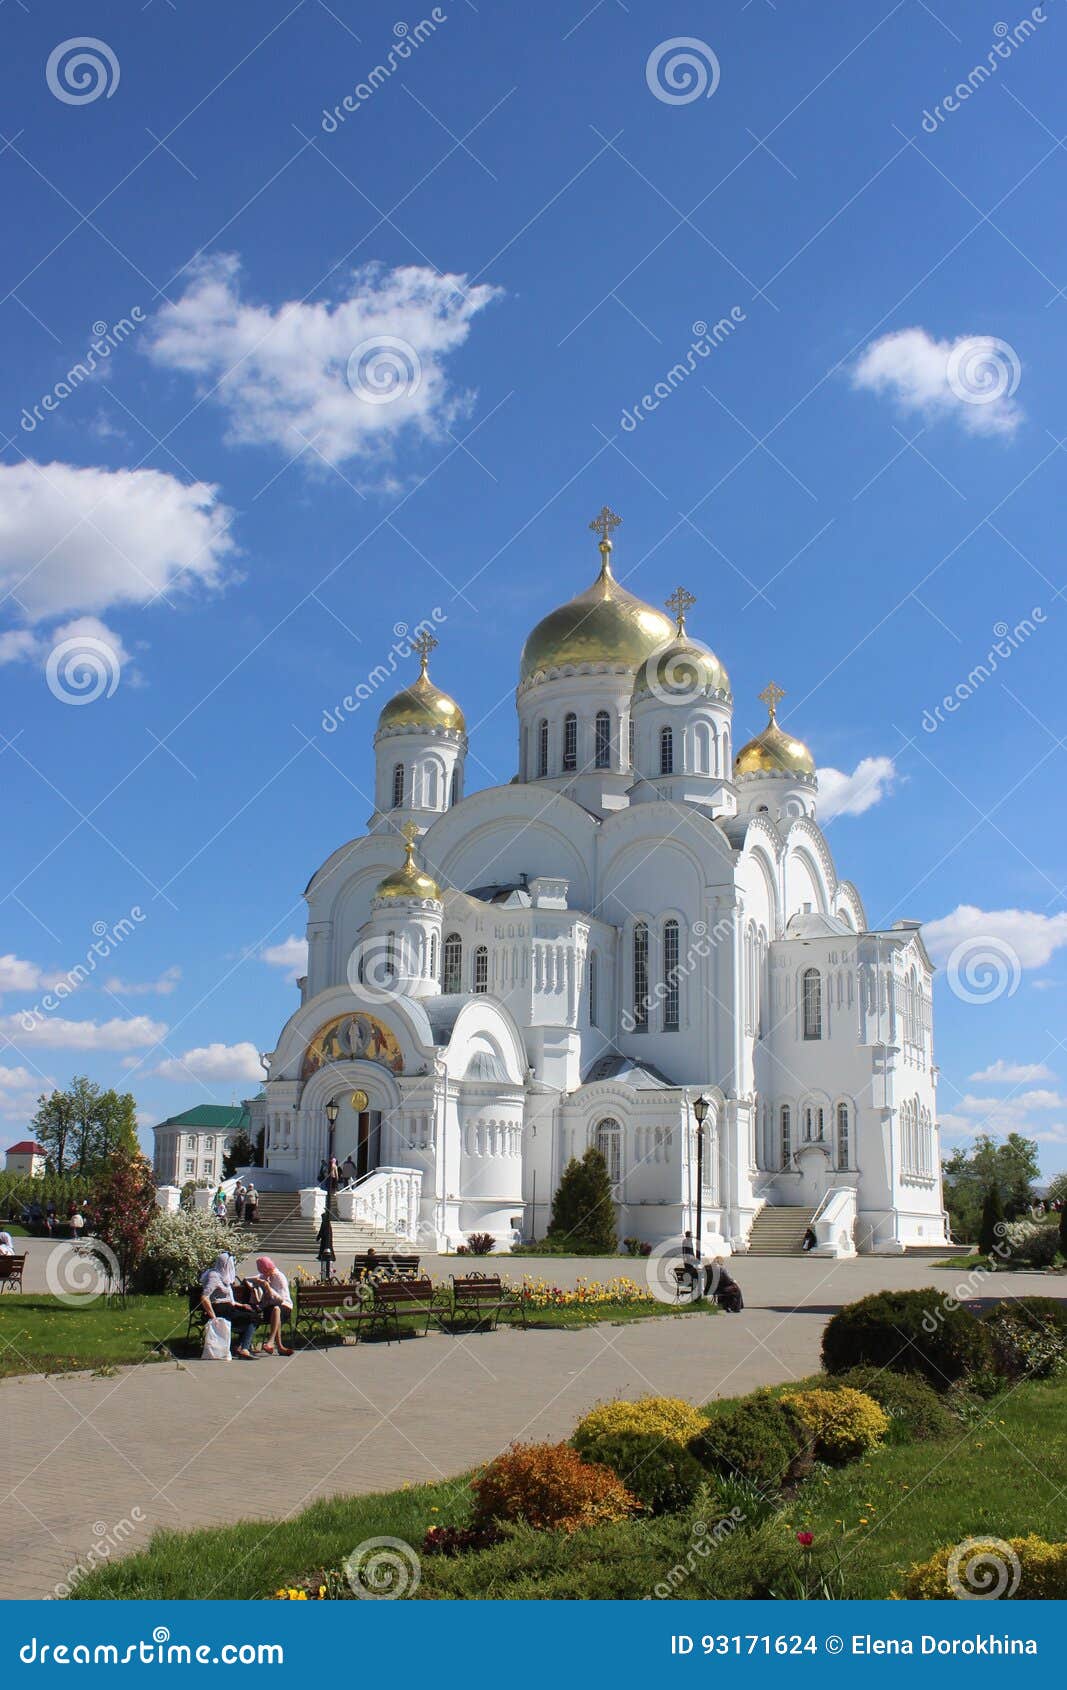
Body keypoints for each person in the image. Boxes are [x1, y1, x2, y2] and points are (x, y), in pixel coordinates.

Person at [199, 1252, 258, 1359]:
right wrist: (213, 1317)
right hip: (219, 1309)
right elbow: (204, 1297)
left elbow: (228, 1299)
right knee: (252, 1318)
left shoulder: (223, 1277)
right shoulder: (214, 1276)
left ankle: (240, 1346)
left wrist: (242, 1305)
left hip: (227, 1307)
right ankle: (243, 1348)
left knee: (253, 1315)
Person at [252, 1256, 293, 1355]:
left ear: (270, 1268)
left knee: (276, 1309)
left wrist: (268, 1288)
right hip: (270, 1307)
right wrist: (258, 1281)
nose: (264, 1274)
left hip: (285, 1306)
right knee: (275, 1311)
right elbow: (249, 1279)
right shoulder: (264, 1276)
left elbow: (279, 1300)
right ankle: (280, 1347)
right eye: (262, 1272)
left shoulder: (279, 1277)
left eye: (265, 1271)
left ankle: (271, 1342)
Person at [679, 1229, 700, 1295]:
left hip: (688, 1260)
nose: (692, 1237)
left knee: (693, 1272)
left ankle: (691, 1285)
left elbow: (689, 1251)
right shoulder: (687, 1241)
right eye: (691, 1236)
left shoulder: (687, 1241)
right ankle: (693, 1287)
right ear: (688, 1236)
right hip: (688, 1260)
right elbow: (687, 1251)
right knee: (694, 1273)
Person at [317, 1212, 336, 1282]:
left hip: (327, 1240)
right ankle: (320, 1256)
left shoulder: (327, 1224)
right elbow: (321, 1231)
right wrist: (318, 1237)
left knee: (328, 1249)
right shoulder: (324, 1223)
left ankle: (331, 1257)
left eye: (323, 1217)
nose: (322, 1219)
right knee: (323, 1249)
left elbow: (327, 1233)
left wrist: (321, 1237)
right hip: (324, 1239)